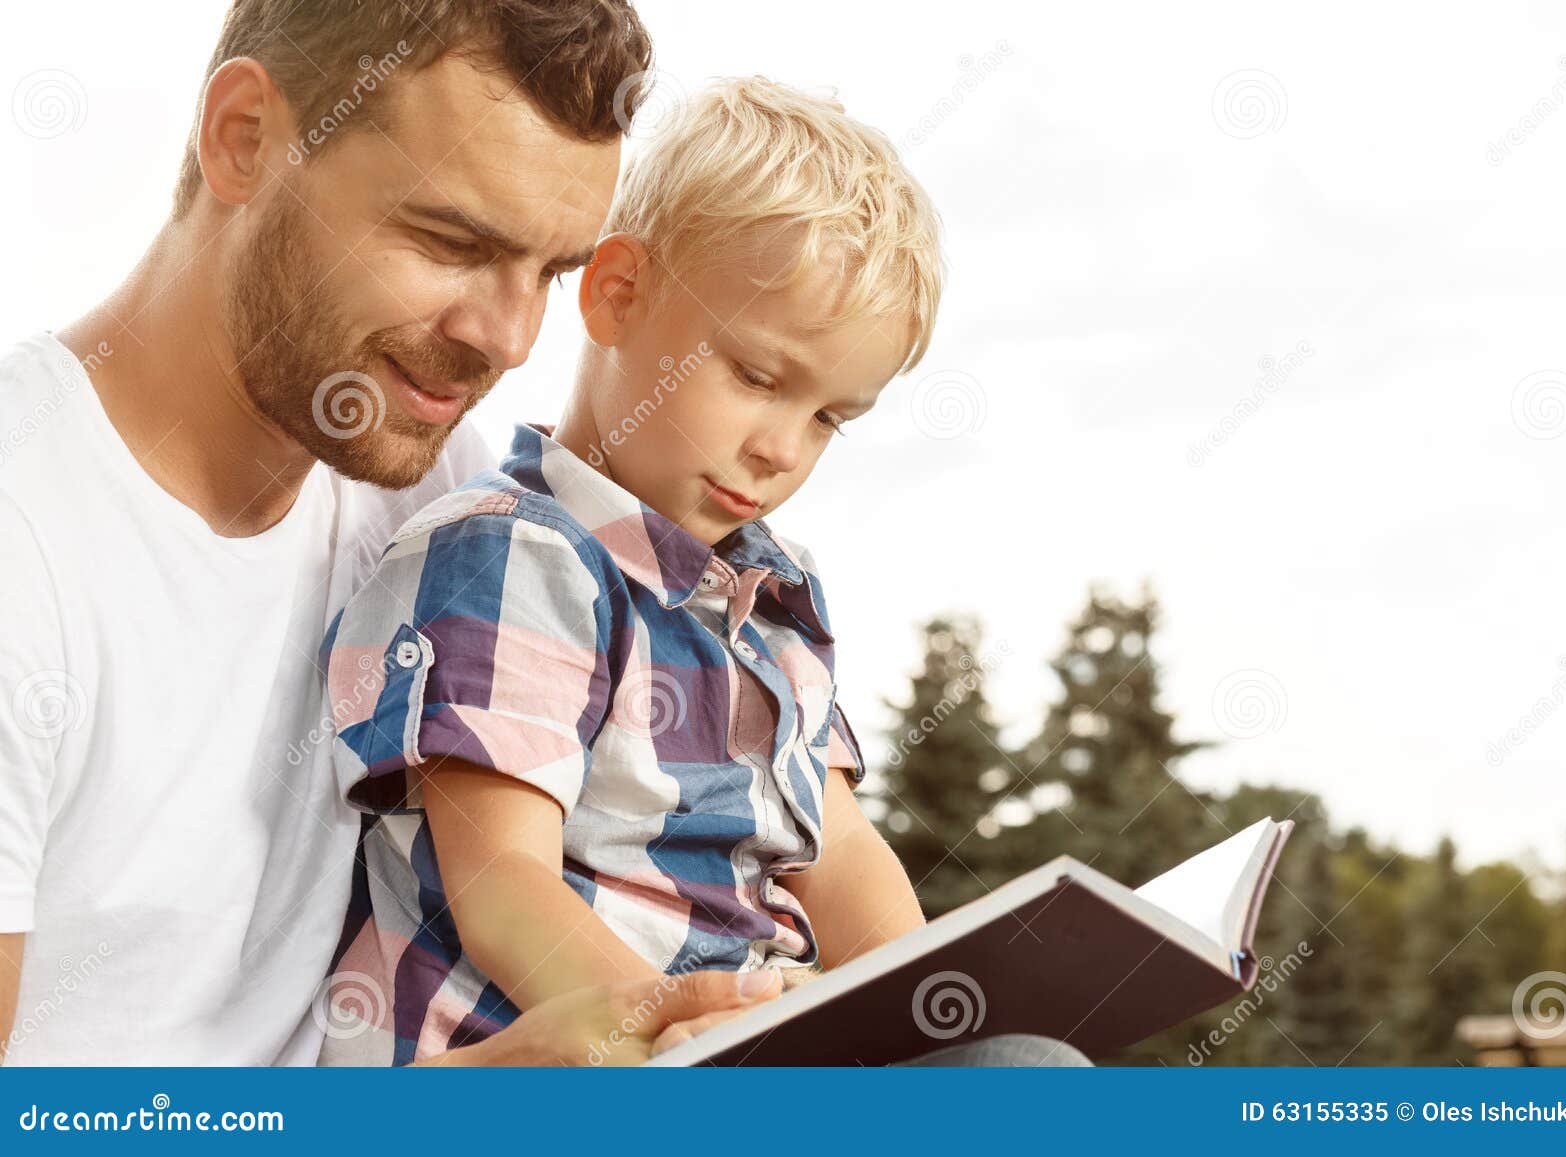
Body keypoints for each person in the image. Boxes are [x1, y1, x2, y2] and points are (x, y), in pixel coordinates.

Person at [0, 0, 781, 1065]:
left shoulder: (451, 497)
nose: (503, 339)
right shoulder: (26, 537)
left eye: (549, 273)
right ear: (242, 139)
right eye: (449, 241)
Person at [315, 78, 1089, 1069]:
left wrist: (925, 1004)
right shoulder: (510, 557)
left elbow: (839, 854)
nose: (781, 449)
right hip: (559, 1053)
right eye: (758, 378)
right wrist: (678, 1035)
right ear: (617, 293)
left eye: (827, 417)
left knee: (1025, 1067)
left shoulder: (774, 600)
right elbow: (503, 882)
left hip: (748, 1044)